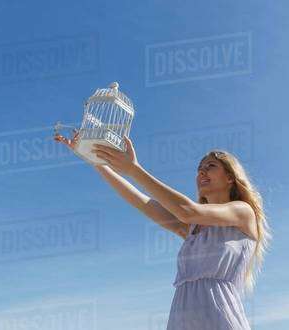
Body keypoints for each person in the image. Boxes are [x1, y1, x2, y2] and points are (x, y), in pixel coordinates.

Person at [54, 131, 271, 330]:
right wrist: (96, 162)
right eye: (199, 168)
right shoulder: (192, 228)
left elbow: (187, 210)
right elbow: (142, 202)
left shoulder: (243, 213)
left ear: (230, 177)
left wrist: (133, 169)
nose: (201, 171)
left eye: (210, 166)